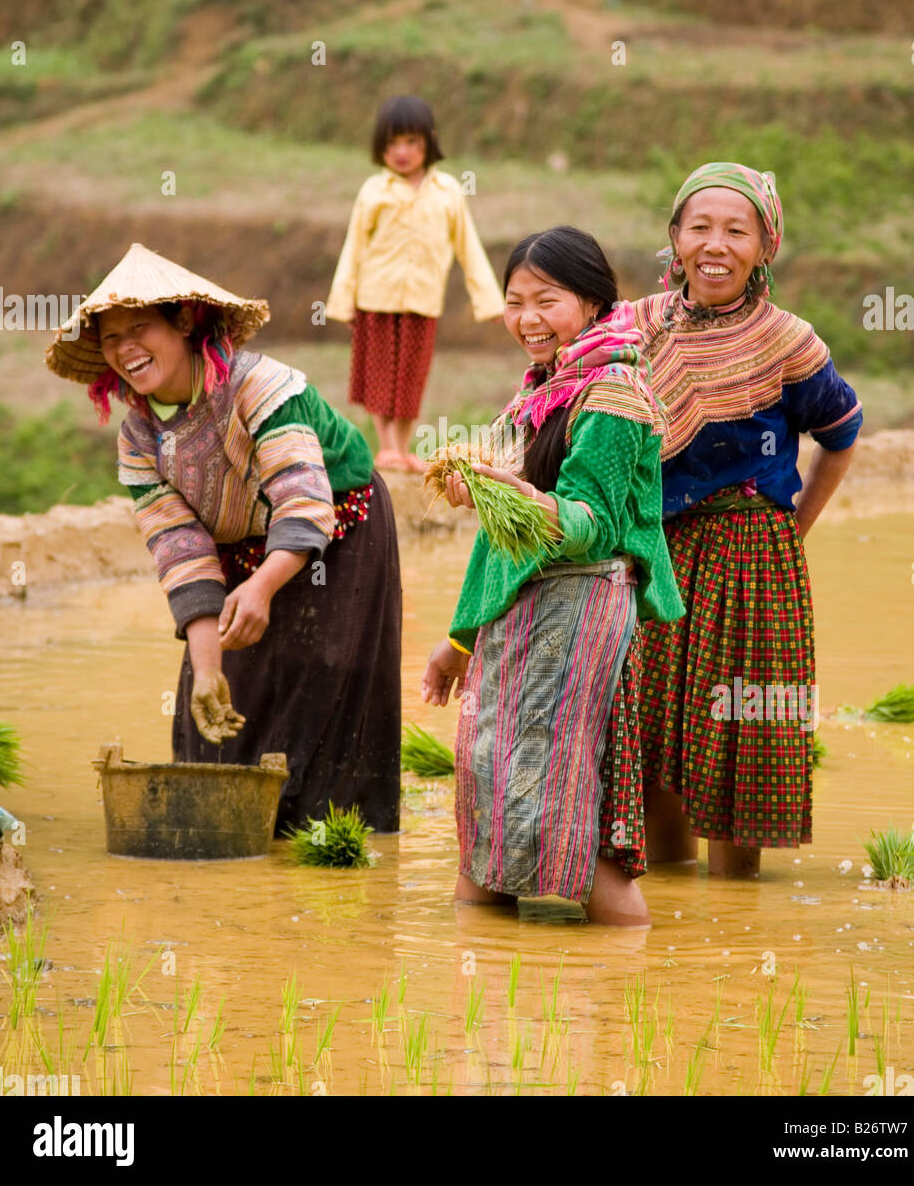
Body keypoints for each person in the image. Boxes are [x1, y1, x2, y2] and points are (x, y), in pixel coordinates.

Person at [45, 243, 402, 834]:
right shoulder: (138, 439)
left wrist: (261, 587)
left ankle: (330, 835)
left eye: (140, 328)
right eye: (111, 339)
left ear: (184, 323)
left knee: (325, 673)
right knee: (214, 698)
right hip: (244, 540)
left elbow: (303, 499)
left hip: (340, 522)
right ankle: (239, 832)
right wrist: (208, 666)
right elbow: (180, 550)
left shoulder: (257, 386)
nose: (126, 349)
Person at [421, 227, 683, 925]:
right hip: (525, 615)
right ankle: (479, 959)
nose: (527, 318)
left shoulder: (615, 391)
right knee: (486, 771)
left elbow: (591, 521)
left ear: (595, 303)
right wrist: (459, 641)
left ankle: (623, 963)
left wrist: (521, 497)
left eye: (547, 300)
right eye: (514, 302)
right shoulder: (541, 392)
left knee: (561, 782)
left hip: (582, 605)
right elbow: (500, 543)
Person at [627, 162, 862, 877]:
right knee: (653, 727)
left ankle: (733, 903)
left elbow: (841, 434)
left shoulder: (786, 341)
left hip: (755, 559)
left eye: (737, 230)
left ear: (766, 246)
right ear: (674, 238)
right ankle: (667, 891)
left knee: (742, 729)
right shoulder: (635, 331)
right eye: (699, 227)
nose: (715, 244)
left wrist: (792, 530)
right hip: (656, 554)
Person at [325, 94, 505, 473]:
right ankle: (387, 446)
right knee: (378, 378)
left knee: (410, 378)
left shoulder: (449, 192)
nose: (402, 152)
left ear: (429, 141)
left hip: (423, 302)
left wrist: (490, 302)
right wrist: (342, 303)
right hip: (375, 299)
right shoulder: (373, 191)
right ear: (380, 147)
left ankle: (403, 448)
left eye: (411, 142)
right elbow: (353, 247)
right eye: (392, 144)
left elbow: (468, 247)